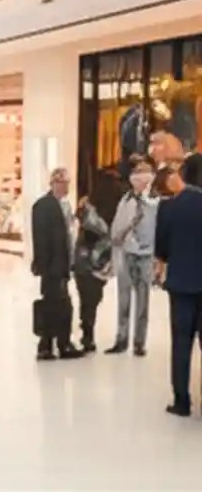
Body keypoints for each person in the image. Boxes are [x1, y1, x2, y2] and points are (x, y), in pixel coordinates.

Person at [157, 155, 202, 416]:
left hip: (182, 285)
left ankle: (182, 401)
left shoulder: (170, 207)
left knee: (181, 344)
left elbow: (161, 247)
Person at [31, 167, 84, 361]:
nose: (65, 186)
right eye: (61, 182)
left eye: (67, 182)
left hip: (62, 265)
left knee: (60, 304)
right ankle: (51, 344)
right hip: (52, 266)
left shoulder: (65, 206)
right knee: (54, 304)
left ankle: (60, 343)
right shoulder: (42, 206)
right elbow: (41, 239)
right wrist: (43, 265)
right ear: (53, 183)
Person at [107, 160, 158, 355]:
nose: (139, 176)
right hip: (126, 252)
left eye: (144, 172)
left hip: (146, 254)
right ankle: (121, 338)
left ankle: (139, 342)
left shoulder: (156, 202)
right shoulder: (126, 200)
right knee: (124, 298)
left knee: (143, 300)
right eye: (136, 172)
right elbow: (116, 227)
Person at [72, 197, 113, 353]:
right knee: (89, 304)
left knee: (88, 304)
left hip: (87, 270)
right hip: (88, 270)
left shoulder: (92, 227)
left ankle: (87, 335)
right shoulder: (93, 225)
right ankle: (87, 335)